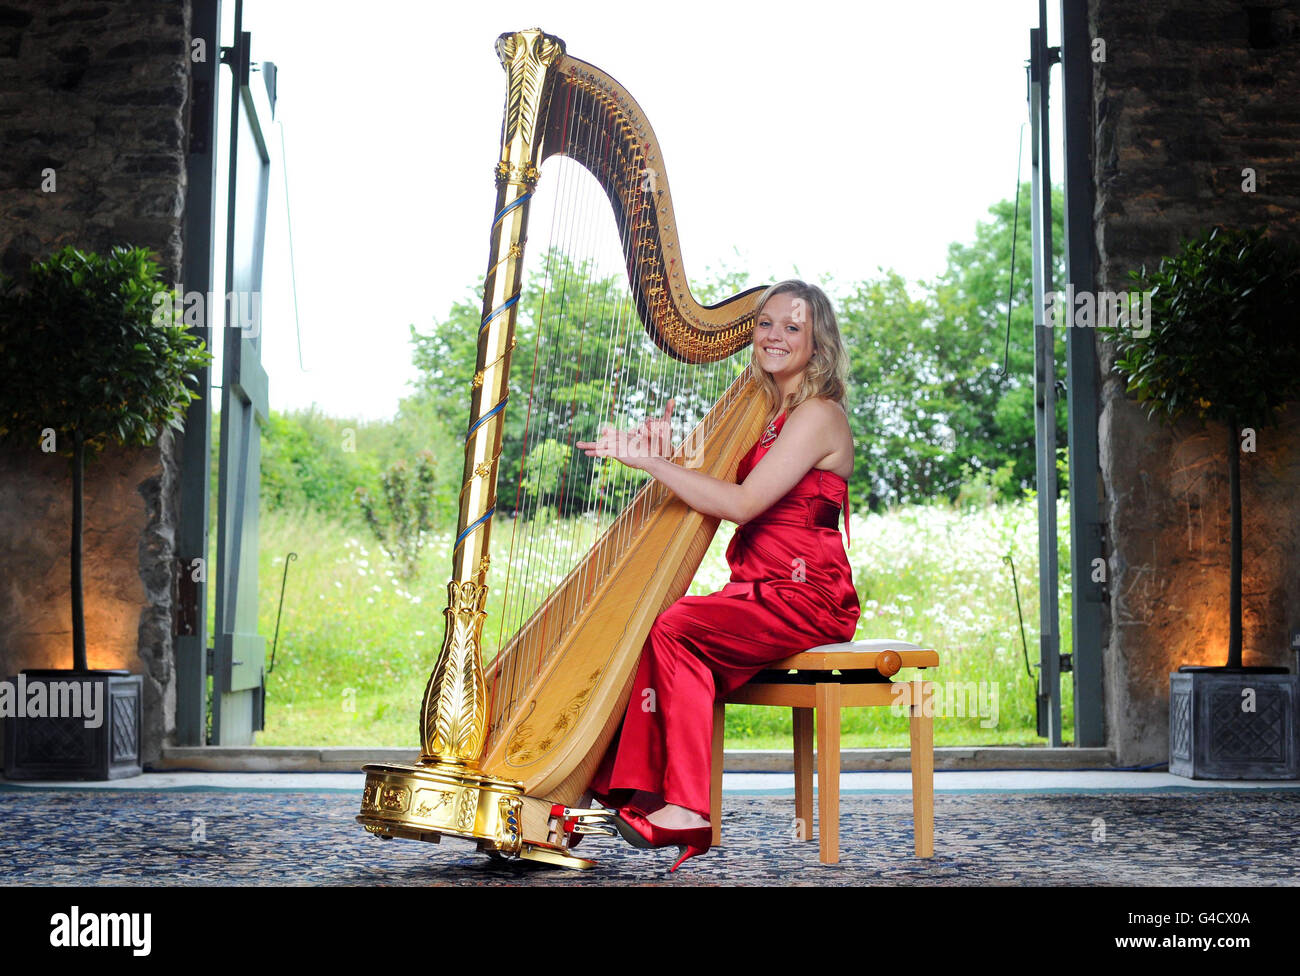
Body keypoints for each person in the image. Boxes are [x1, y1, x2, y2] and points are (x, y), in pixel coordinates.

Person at [574, 279, 860, 872]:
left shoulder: (818, 415)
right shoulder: (766, 413)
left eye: (792, 326)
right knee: (650, 629)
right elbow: (711, 481)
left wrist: (653, 463)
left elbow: (741, 504)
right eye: (765, 324)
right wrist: (666, 453)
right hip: (758, 591)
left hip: (806, 596)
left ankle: (682, 805)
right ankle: (620, 793)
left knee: (675, 627)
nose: (774, 336)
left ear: (818, 341)